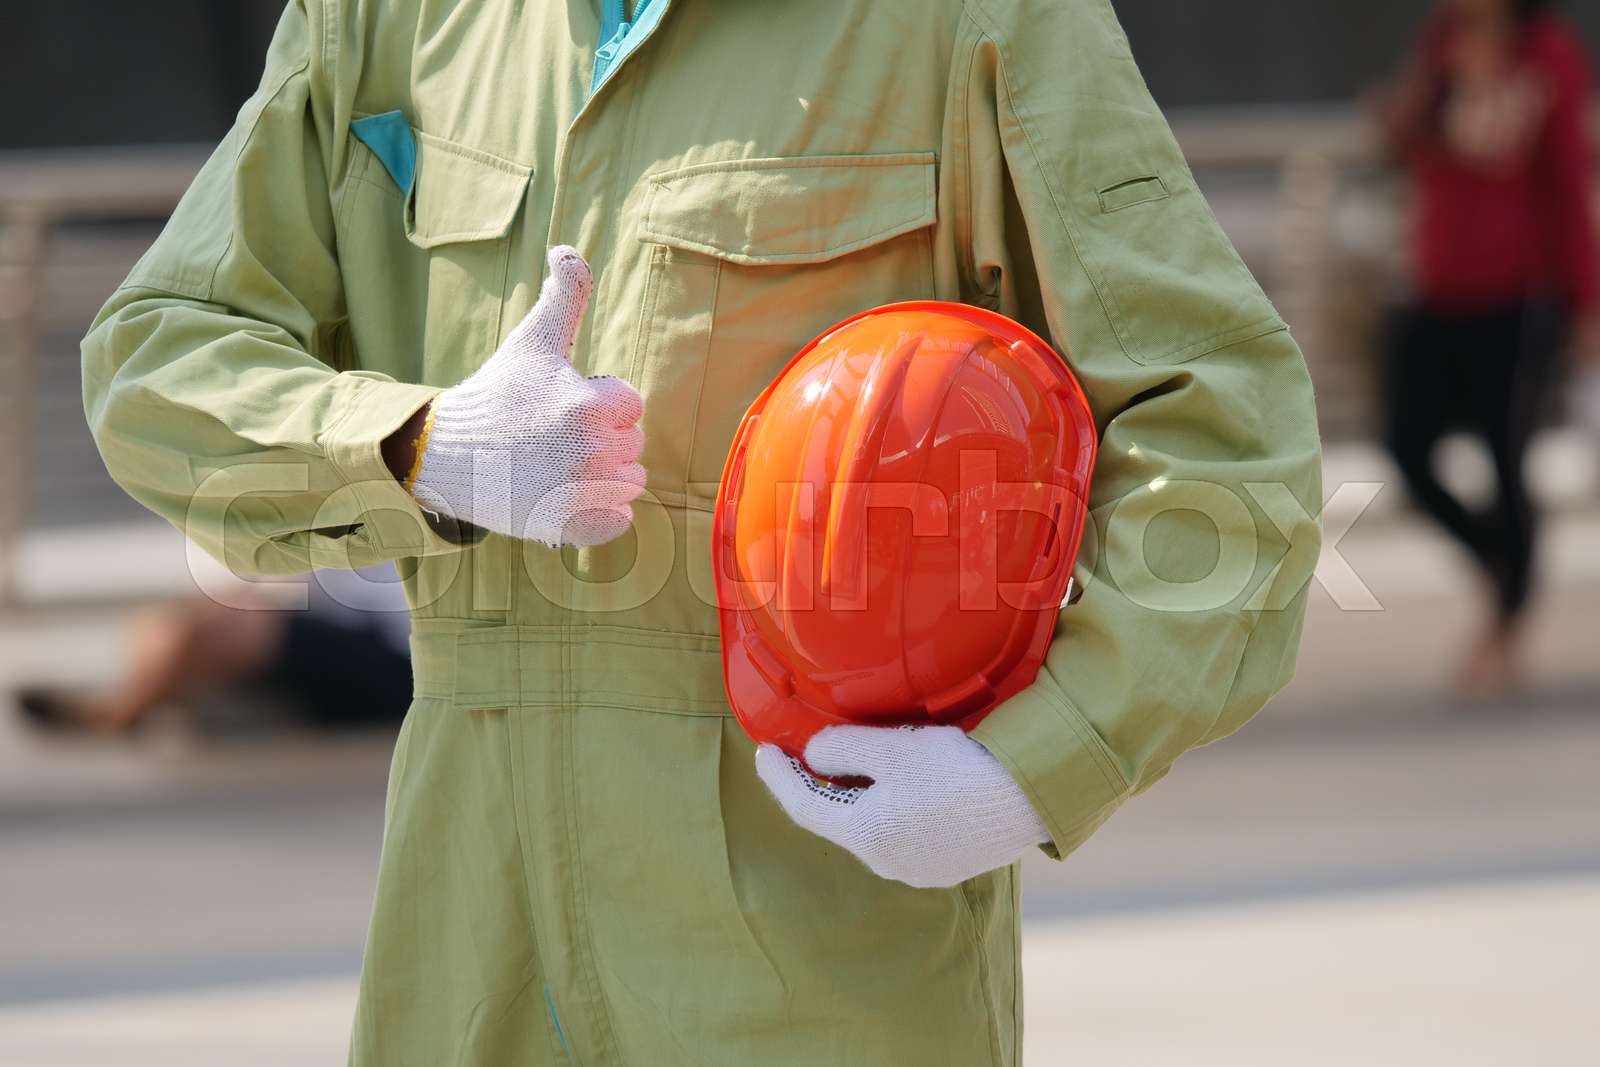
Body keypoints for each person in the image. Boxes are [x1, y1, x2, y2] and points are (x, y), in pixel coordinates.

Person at [81, 2, 1321, 1062]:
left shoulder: (968, 19)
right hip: (464, 948)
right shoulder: (383, 18)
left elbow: (1223, 432)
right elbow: (156, 357)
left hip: (812, 953)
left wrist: (1039, 757)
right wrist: (418, 445)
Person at [1377, 0, 1599, 698]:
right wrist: (1416, 97)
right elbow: (1397, 146)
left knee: (1506, 456)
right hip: (1435, 289)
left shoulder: (1549, 57)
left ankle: (1505, 623)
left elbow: (1568, 185)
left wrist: (1588, 302)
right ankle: (1502, 562)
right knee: (1407, 446)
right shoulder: (1440, 43)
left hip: (1519, 299)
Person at [15, 567, 412, 734]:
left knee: (213, 626)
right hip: (353, 630)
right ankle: (144, 697)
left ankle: (118, 713)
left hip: (397, 655)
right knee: (173, 620)